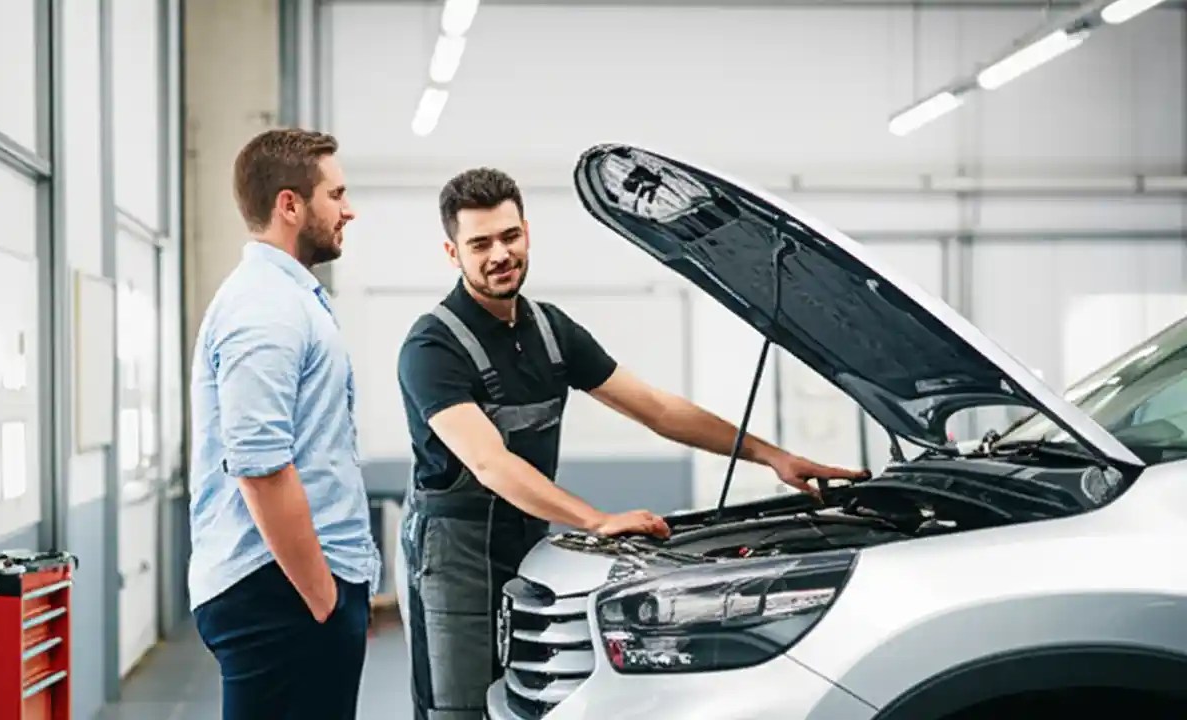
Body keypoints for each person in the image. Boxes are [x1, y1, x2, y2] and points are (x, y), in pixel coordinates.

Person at [394, 167, 869, 719]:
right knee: (458, 709)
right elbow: (489, 462)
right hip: (453, 556)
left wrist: (772, 455)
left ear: (527, 230)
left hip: (527, 542)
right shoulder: (432, 346)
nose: (499, 254)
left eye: (509, 236)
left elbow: (658, 409)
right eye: (480, 243)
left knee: (528, 701)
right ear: (453, 253)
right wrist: (594, 519)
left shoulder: (552, 331)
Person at [187, 128, 381, 720]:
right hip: (280, 592)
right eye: (336, 194)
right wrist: (323, 597)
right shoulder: (264, 308)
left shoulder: (288, 296)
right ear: (290, 205)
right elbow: (261, 466)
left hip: (290, 588)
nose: (348, 210)